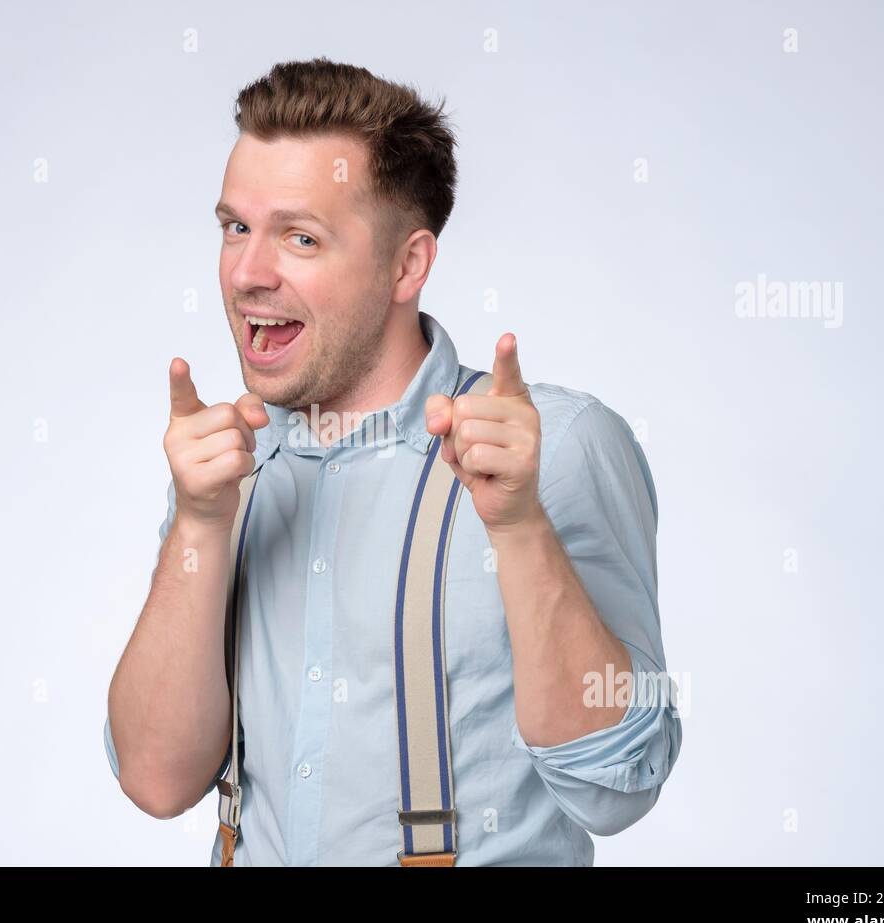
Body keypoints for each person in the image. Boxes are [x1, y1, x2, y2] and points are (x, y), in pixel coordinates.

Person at [104, 57, 681, 865]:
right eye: (236, 227)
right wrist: (200, 521)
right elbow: (157, 780)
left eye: (299, 237)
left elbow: (617, 788)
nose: (246, 274)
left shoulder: (554, 446)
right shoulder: (230, 462)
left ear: (407, 265)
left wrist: (517, 527)